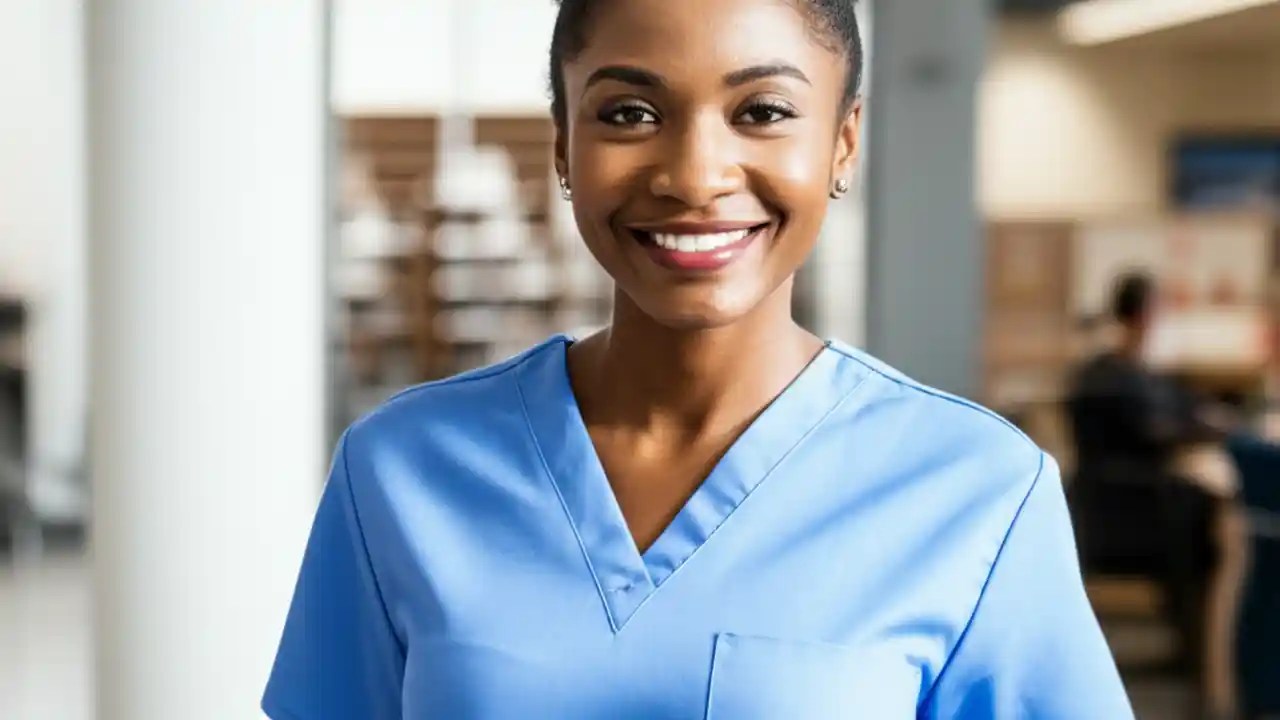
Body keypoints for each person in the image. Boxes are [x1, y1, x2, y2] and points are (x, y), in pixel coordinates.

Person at [263, 1, 1132, 717]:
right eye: (630, 114)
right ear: (564, 145)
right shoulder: (404, 469)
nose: (693, 173)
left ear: (843, 143)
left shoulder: (975, 489)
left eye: (762, 112)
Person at [1066, 271, 1225, 683]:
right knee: (1213, 521)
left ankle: (1200, 654)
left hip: (1121, 505)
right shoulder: (1114, 377)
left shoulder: (1125, 371)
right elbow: (1156, 429)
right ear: (1146, 315)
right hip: (1134, 513)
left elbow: (1181, 413)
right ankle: (1209, 661)